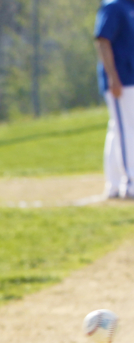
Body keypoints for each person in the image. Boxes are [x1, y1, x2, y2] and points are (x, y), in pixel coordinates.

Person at [95, 0, 134, 199]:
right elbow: (102, 41)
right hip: (121, 81)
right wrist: (113, 78)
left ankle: (114, 184)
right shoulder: (114, 6)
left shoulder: (130, 6)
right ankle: (130, 184)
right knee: (127, 130)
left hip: (130, 78)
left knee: (118, 129)